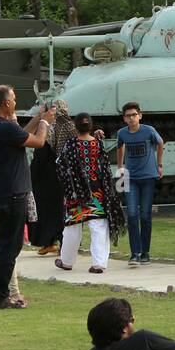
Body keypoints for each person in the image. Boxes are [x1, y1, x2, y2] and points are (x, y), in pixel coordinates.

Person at [0, 85, 53, 308]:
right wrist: (45, 121)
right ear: (6, 103)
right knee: (9, 248)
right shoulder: (3, 128)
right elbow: (38, 141)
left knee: (4, 246)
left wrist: (38, 117)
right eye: (13, 99)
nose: (15, 101)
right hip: (12, 194)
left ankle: (0, 293)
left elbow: (23, 134)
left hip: (4, 193)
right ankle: (1, 297)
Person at [56, 112, 125, 273]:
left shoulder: (70, 144)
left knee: (72, 226)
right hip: (97, 190)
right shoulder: (98, 144)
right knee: (99, 225)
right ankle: (99, 263)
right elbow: (105, 168)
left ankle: (66, 262)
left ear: (75, 126)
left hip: (76, 191)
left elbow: (60, 166)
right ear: (91, 126)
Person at [117, 102, 165, 267]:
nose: (131, 118)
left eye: (134, 115)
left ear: (140, 115)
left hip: (148, 177)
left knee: (145, 215)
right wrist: (120, 166)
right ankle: (134, 253)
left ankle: (145, 252)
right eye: (128, 116)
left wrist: (159, 165)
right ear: (124, 118)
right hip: (130, 177)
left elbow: (160, 143)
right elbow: (119, 147)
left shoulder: (148, 131)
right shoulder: (122, 133)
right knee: (131, 214)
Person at [28, 98, 74, 256]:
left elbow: (40, 156)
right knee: (64, 211)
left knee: (47, 210)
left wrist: (32, 175)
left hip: (47, 178)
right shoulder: (70, 127)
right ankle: (65, 243)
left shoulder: (47, 129)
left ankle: (48, 242)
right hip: (66, 177)